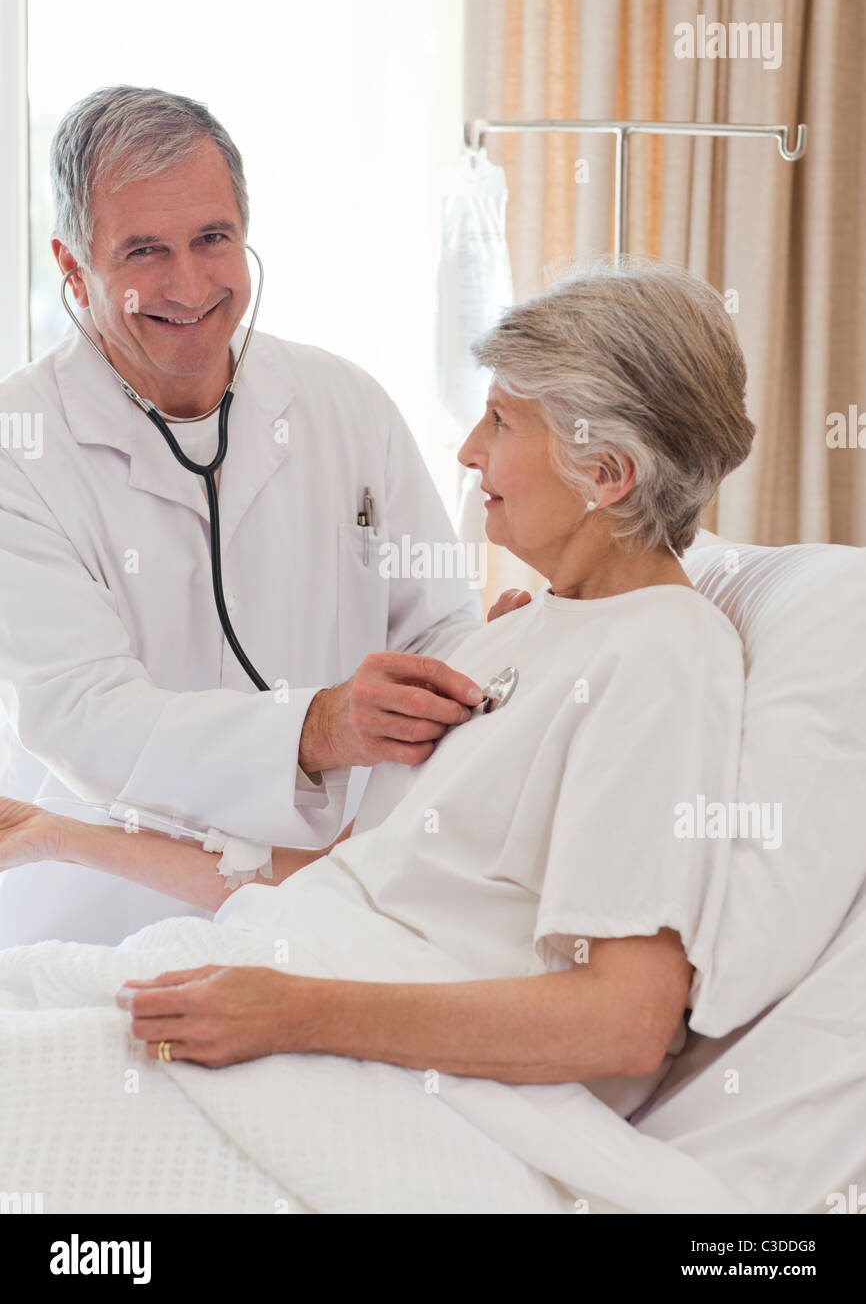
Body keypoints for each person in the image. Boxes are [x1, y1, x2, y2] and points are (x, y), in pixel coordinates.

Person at [0, 259, 756, 1214]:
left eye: (503, 422)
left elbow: (625, 1021)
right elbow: (330, 881)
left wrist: (295, 1014)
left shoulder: (664, 655)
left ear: (607, 473)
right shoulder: (515, 634)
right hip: (260, 980)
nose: (468, 453)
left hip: (343, 1056)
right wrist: (58, 836)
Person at [0, 85, 519, 948]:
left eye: (212, 239)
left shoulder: (342, 402)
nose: (189, 283)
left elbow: (434, 627)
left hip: (328, 904)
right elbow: (84, 716)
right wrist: (315, 729)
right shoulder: (21, 448)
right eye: (143, 252)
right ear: (70, 265)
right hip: (98, 922)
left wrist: (491, 670)